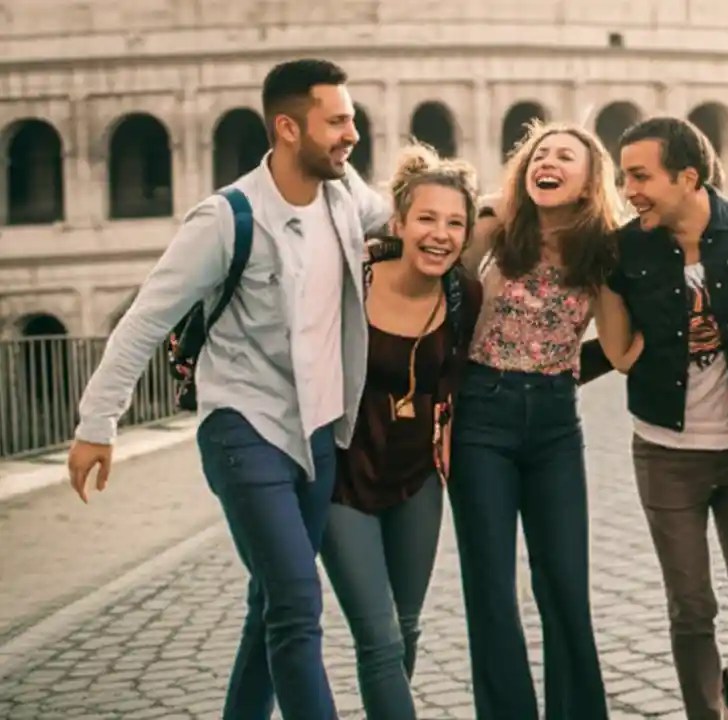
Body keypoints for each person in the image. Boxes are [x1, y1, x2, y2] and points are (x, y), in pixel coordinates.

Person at [66, 58, 389, 720]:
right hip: (245, 431)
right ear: (288, 127)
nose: (352, 133)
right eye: (337, 121)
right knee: (298, 605)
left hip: (320, 432)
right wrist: (97, 423)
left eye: (351, 118)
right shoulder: (226, 217)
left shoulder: (345, 197)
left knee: (269, 604)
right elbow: (145, 319)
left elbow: (403, 216)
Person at [594, 116, 728, 720]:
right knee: (691, 607)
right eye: (625, 178)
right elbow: (618, 349)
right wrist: (633, 344)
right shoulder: (625, 249)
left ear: (689, 176)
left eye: (641, 177)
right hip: (665, 451)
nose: (629, 190)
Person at [448, 121, 624, 720]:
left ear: (587, 181)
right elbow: (443, 288)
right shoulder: (497, 228)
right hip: (481, 417)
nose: (547, 163)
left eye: (564, 157)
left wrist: (573, 362)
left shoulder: (601, 250)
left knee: (566, 588)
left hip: (555, 421)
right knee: (492, 590)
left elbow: (623, 350)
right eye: (538, 154)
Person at [319, 143, 482, 720]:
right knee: (380, 639)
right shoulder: (351, 279)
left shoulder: (463, 293)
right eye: (427, 219)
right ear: (400, 223)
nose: (440, 234)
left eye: (455, 222)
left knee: (406, 628)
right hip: (344, 477)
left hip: (417, 478)